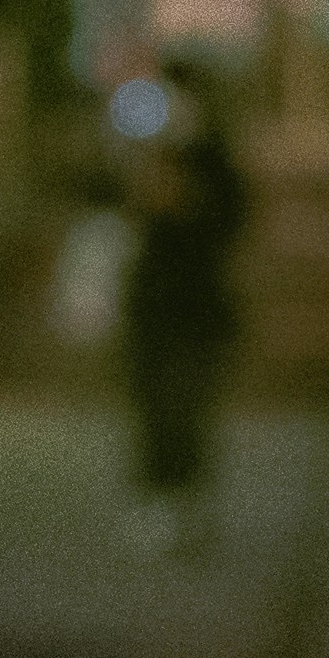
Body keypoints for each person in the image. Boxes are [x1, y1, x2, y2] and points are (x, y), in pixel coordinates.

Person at [115, 83, 246, 556]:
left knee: (187, 406)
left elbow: (229, 225)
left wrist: (186, 201)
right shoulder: (152, 161)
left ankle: (185, 502)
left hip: (195, 306)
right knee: (155, 405)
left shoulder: (214, 168)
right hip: (156, 307)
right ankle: (162, 498)